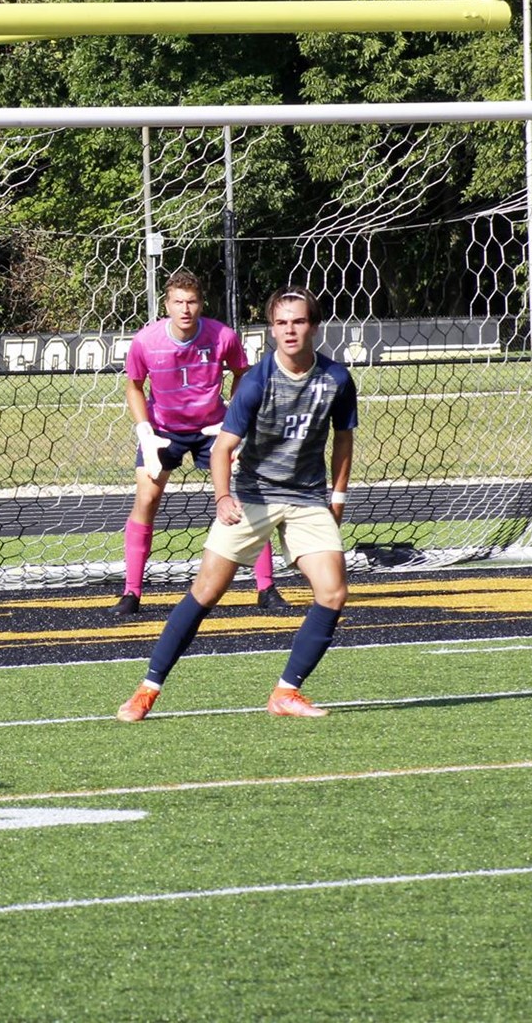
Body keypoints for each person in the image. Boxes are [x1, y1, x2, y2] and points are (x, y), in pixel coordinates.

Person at [116, 286, 357, 723]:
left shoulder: (336, 379)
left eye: (298, 322)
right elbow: (224, 448)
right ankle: (148, 688)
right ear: (271, 329)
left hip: (305, 498)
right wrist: (224, 497)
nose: (290, 330)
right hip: (252, 496)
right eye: (281, 323)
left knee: (333, 592)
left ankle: (286, 692)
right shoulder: (259, 381)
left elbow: (344, 439)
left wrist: (337, 497)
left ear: (314, 327)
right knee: (206, 592)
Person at [113, 269, 286, 616]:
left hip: (213, 430)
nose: (185, 308)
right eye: (178, 301)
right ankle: (131, 592)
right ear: (167, 304)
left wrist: (232, 420)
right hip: (163, 430)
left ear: (201, 303)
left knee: (244, 498)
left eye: (191, 301)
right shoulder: (145, 341)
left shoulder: (223, 336)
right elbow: (133, 385)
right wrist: (144, 431)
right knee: (146, 497)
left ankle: (266, 588)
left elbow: (242, 374)